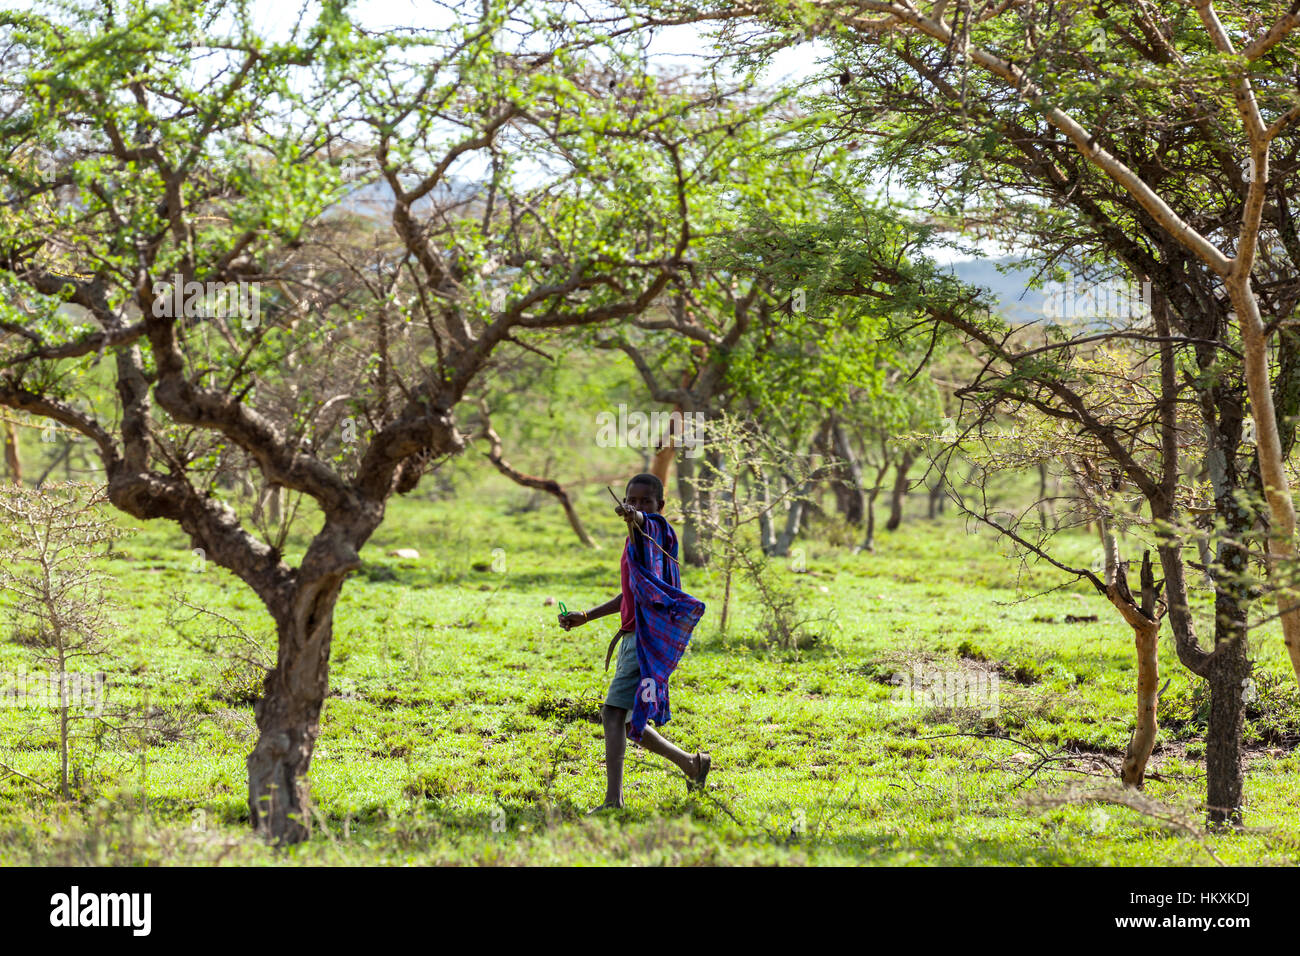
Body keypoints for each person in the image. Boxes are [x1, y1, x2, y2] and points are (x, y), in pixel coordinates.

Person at [558, 473, 709, 812]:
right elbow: (630, 593)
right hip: (632, 636)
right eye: (632, 500)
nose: (637, 506)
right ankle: (692, 764)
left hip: (645, 637)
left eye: (646, 501)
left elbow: (649, 523)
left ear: (660, 506)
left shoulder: (658, 533)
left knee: (612, 713)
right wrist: (586, 615)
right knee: (627, 722)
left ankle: (613, 802)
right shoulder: (632, 544)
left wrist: (636, 517)